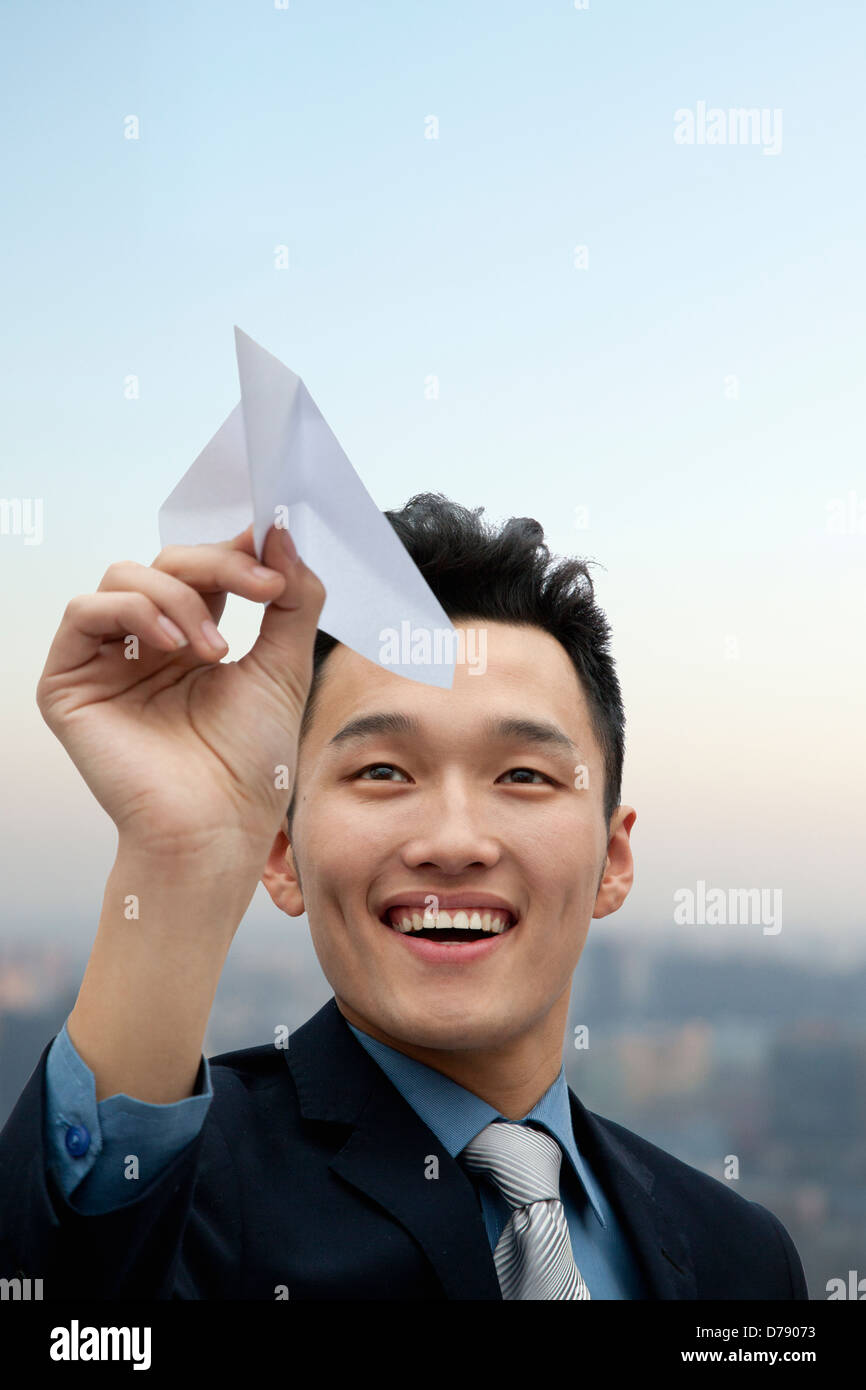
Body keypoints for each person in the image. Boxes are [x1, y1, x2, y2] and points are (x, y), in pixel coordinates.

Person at [0, 494, 808, 1300]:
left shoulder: (738, 1255)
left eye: (523, 775)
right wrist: (176, 858)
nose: (454, 841)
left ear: (614, 859)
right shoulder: (187, 1197)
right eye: (382, 771)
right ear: (281, 855)